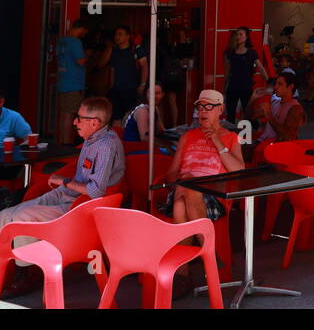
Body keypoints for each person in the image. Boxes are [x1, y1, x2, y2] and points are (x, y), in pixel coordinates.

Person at [0, 96, 124, 300]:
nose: (74, 122)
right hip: (69, 195)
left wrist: (64, 181)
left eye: (79, 118)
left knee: (18, 216)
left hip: (81, 208)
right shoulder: (94, 138)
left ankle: (25, 272)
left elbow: (96, 191)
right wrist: (64, 183)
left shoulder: (105, 145)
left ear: (94, 122)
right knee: (6, 215)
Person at [162, 89, 244, 224]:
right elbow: (171, 173)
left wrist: (218, 142)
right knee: (184, 192)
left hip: (214, 197)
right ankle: (207, 243)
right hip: (182, 190)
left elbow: (239, 171)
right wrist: (183, 179)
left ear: (220, 110)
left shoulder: (231, 137)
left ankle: (198, 245)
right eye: (200, 107)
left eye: (209, 107)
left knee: (179, 207)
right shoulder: (187, 136)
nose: (203, 111)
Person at [223, 27, 267, 123]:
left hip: (246, 87)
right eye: (237, 34)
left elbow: (261, 68)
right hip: (233, 87)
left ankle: (252, 132)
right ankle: (231, 134)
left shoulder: (251, 52)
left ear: (246, 37)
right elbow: (227, 71)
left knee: (248, 112)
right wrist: (224, 89)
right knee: (230, 113)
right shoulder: (230, 52)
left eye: (241, 34)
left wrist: (269, 81)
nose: (238, 37)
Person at [55, 18, 89, 145]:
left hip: (62, 82)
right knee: (70, 115)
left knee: (64, 114)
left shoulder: (61, 41)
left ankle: (61, 142)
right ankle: (66, 144)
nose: (84, 34)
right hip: (73, 84)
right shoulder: (75, 42)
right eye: (84, 32)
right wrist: (88, 57)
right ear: (81, 29)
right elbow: (80, 61)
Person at [107, 26, 147, 122]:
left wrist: (142, 84)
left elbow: (145, 66)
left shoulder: (136, 49)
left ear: (128, 36)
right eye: (116, 35)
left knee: (130, 118)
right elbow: (112, 70)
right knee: (116, 118)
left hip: (131, 89)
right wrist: (111, 87)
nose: (117, 37)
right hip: (116, 90)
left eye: (120, 34)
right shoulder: (114, 51)